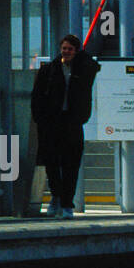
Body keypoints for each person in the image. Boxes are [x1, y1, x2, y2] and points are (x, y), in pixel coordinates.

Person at [31, 34, 100, 218]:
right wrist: (40, 119)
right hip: (51, 123)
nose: (66, 52)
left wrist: (81, 117)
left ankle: (67, 203)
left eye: (70, 49)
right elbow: (37, 95)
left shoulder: (83, 69)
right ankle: (56, 196)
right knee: (52, 163)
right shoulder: (50, 70)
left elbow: (94, 67)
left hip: (72, 122)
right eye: (64, 48)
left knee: (71, 164)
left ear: (76, 51)